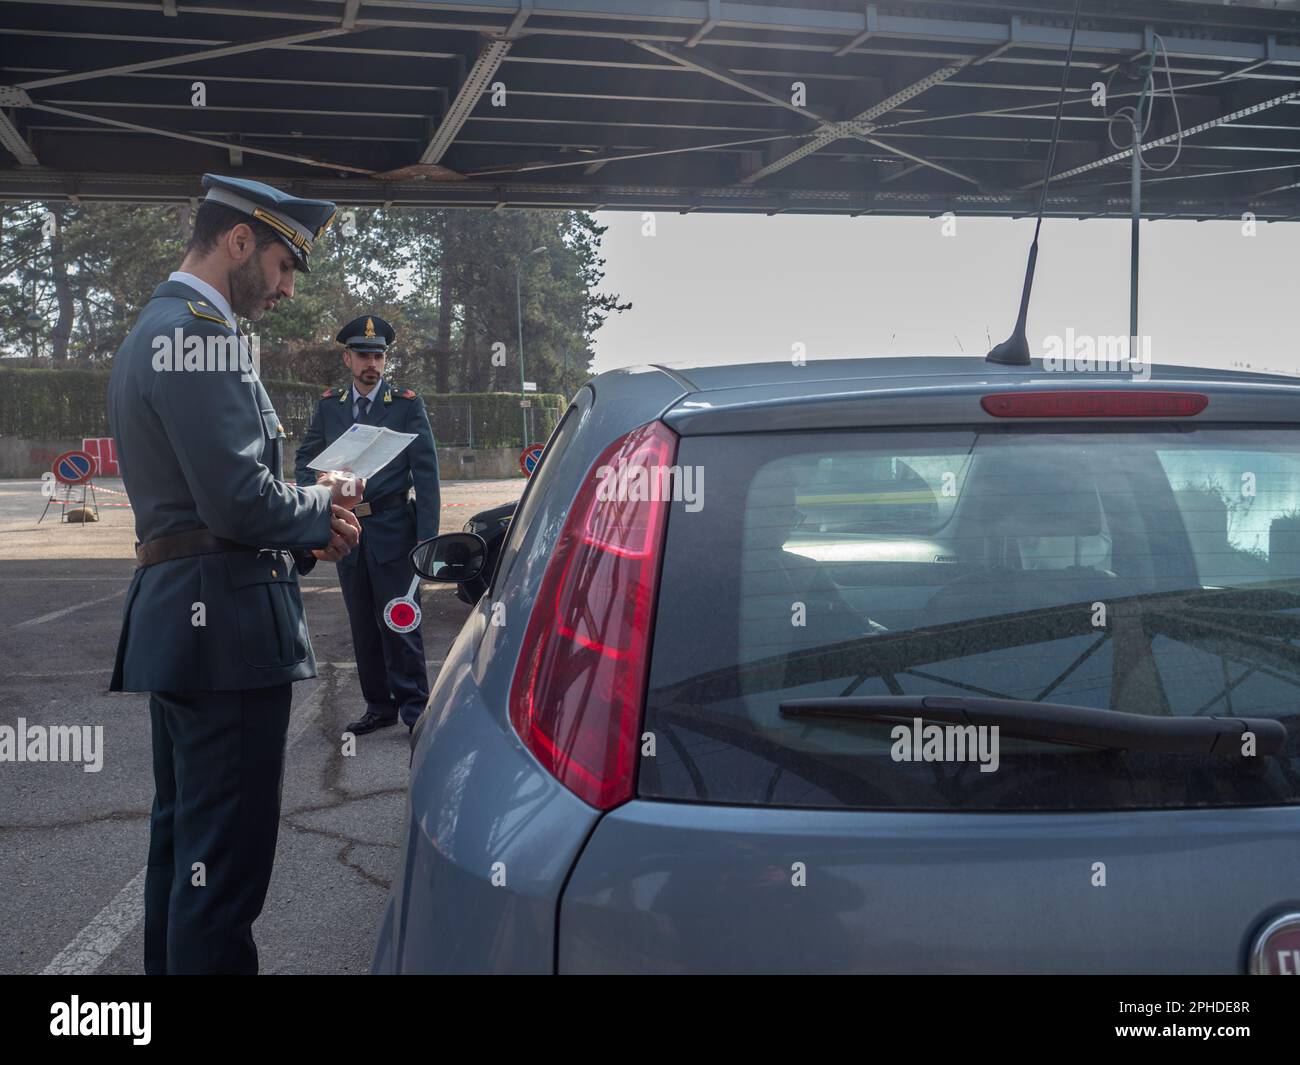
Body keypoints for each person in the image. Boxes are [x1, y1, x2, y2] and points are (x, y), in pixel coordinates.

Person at [107, 172, 365, 975]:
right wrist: (320, 508)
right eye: (285, 265)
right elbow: (237, 500)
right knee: (222, 874)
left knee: (185, 851)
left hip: (189, 622)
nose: (286, 289)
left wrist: (297, 534)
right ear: (239, 240)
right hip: (224, 633)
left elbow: (204, 508)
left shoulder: (159, 326)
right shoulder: (199, 333)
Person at [294, 315, 441, 736]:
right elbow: (305, 460)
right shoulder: (330, 406)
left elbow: (426, 474)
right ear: (347, 358)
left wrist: (427, 540)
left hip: (395, 527)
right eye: (363, 355)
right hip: (347, 530)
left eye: (378, 356)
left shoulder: (406, 404)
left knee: (400, 620)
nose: (371, 363)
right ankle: (379, 706)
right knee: (361, 623)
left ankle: (415, 709)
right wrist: (317, 500)